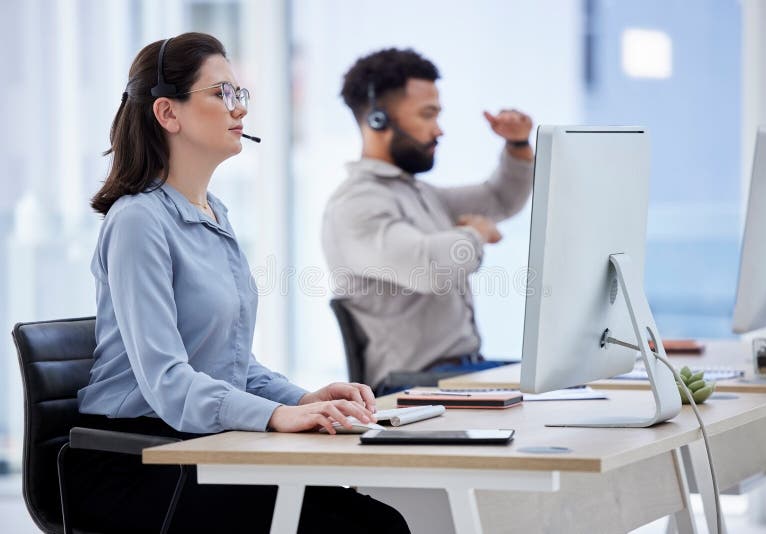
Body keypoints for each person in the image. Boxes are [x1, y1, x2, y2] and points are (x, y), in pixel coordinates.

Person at [74, 32, 409, 533]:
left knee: (378, 520)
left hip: (200, 447)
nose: (239, 109)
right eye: (222, 94)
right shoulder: (138, 221)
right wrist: (273, 416)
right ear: (168, 113)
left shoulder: (214, 215)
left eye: (240, 94)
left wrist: (301, 400)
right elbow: (168, 381)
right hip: (136, 462)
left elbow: (230, 364)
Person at [323, 48, 535, 394]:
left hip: (460, 376)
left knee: (560, 384)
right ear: (378, 119)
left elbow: (499, 198)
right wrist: (475, 234)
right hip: (412, 389)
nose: (439, 130)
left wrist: (517, 145)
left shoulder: (418, 194)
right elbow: (429, 267)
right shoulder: (357, 204)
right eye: (427, 115)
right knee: (551, 392)